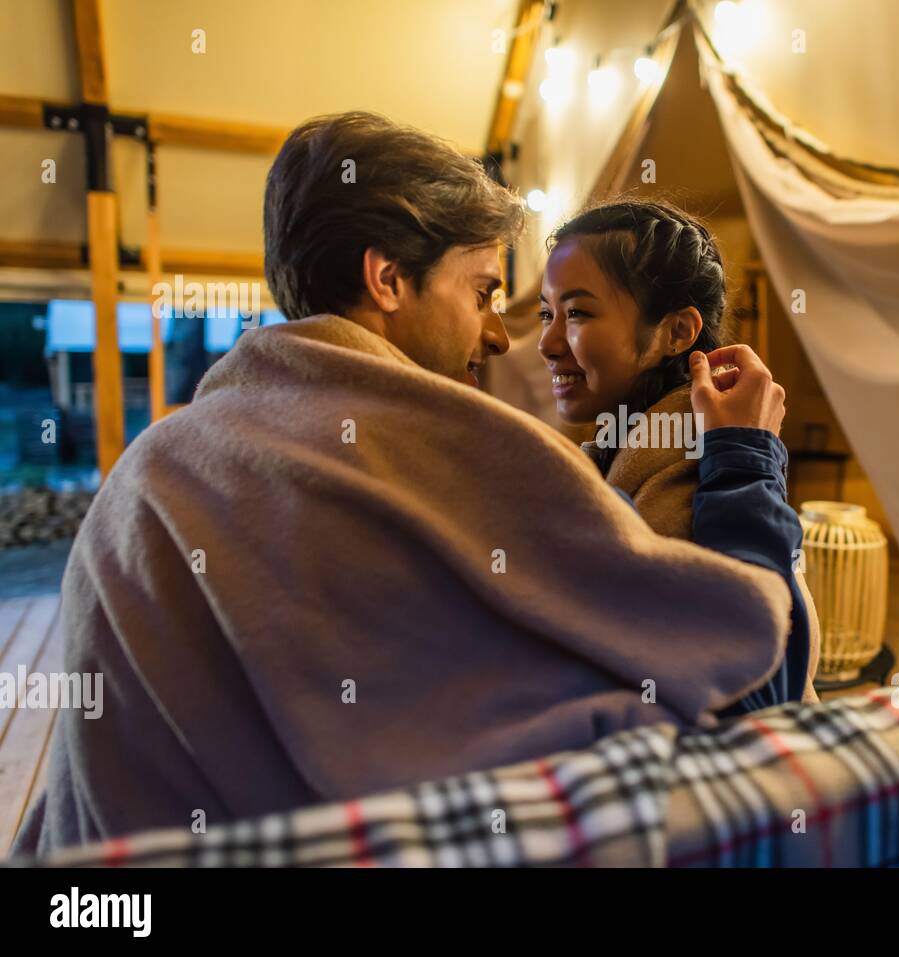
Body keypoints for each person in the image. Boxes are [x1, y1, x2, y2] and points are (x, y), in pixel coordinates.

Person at [15, 112, 808, 854]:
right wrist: (748, 457)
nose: (507, 337)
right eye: (484, 292)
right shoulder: (467, 454)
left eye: (575, 313)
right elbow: (741, 675)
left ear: (677, 333)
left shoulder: (150, 468)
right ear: (389, 280)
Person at [539, 200, 819, 700]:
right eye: (546, 313)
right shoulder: (620, 450)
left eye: (577, 312)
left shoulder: (683, 472)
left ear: (676, 333)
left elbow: (746, 692)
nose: (547, 342)